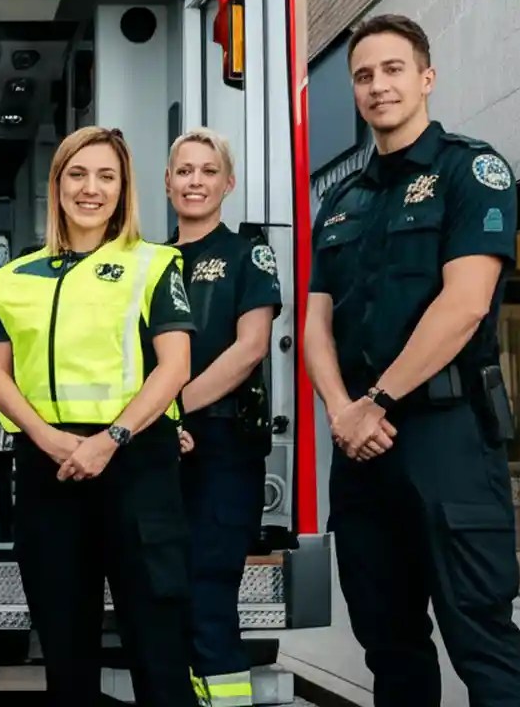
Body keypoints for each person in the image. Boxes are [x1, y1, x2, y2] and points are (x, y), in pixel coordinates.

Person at [302, 14, 520, 706]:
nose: (378, 86)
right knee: (388, 643)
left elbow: (465, 305)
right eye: (364, 76)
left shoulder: (472, 170)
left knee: (481, 637)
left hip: (447, 434)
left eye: (393, 69)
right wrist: (343, 411)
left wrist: (374, 402)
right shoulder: (340, 200)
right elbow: (316, 323)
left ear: (426, 77)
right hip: (362, 449)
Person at [0, 126, 200, 707]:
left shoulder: (154, 264)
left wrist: (111, 439)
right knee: (65, 653)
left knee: (158, 649)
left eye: (106, 176)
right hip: (48, 469)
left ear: (123, 188)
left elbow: (174, 367)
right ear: (57, 185)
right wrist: (47, 438)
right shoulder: (10, 278)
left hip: (137, 466)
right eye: (77, 174)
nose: (91, 189)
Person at [166, 127, 282, 706]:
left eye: (208, 171)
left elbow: (250, 347)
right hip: (160, 445)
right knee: (164, 595)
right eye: (185, 171)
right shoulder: (148, 261)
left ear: (228, 183)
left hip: (223, 444)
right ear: (167, 182)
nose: (196, 182)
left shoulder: (247, 254)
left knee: (210, 594)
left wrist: (171, 408)